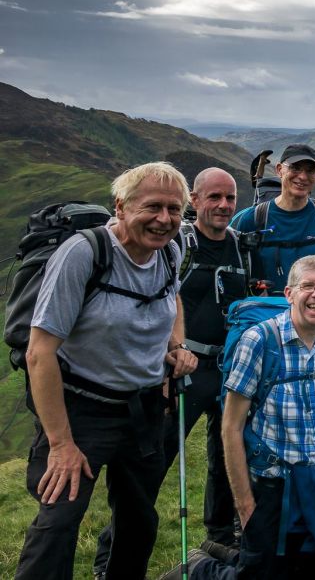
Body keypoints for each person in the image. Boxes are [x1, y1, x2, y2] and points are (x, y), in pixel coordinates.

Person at [16, 162, 197, 580]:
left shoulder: (171, 248)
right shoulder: (83, 254)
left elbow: (172, 298)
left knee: (138, 520)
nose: (164, 219)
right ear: (121, 206)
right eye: (152, 206)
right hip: (81, 411)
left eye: (174, 209)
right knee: (59, 521)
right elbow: (40, 353)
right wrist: (61, 444)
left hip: (143, 409)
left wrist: (176, 345)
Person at [93, 168, 244, 576]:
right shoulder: (177, 241)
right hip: (180, 370)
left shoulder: (239, 245)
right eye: (214, 197)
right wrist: (166, 356)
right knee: (155, 464)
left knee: (224, 455)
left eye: (230, 198)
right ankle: (110, 555)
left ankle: (219, 535)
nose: (223, 206)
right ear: (195, 200)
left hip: (225, 368)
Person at [189, 255, 315, 579]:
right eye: (308, 286)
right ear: (289, 294)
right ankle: (199, 566)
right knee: (261, 574)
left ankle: (225, 550)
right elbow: (231, 427)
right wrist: (246, 505)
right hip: (275, 485)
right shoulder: (259, 341)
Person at [230, 143, 315, 324]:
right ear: (280, 170)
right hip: (266, 325)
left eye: (310, 171)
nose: (303, 177)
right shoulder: (253, 219)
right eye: (295, 168)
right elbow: (237, 278)